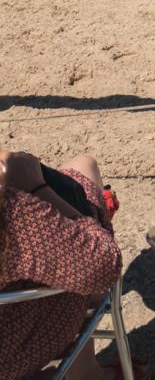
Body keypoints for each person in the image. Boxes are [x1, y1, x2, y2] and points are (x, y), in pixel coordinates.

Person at [0, 150, 124, 380]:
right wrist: (38, 189)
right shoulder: (11, 207)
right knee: (84, 170)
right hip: (12, 353)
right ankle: (86, 373)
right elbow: (105, 265)